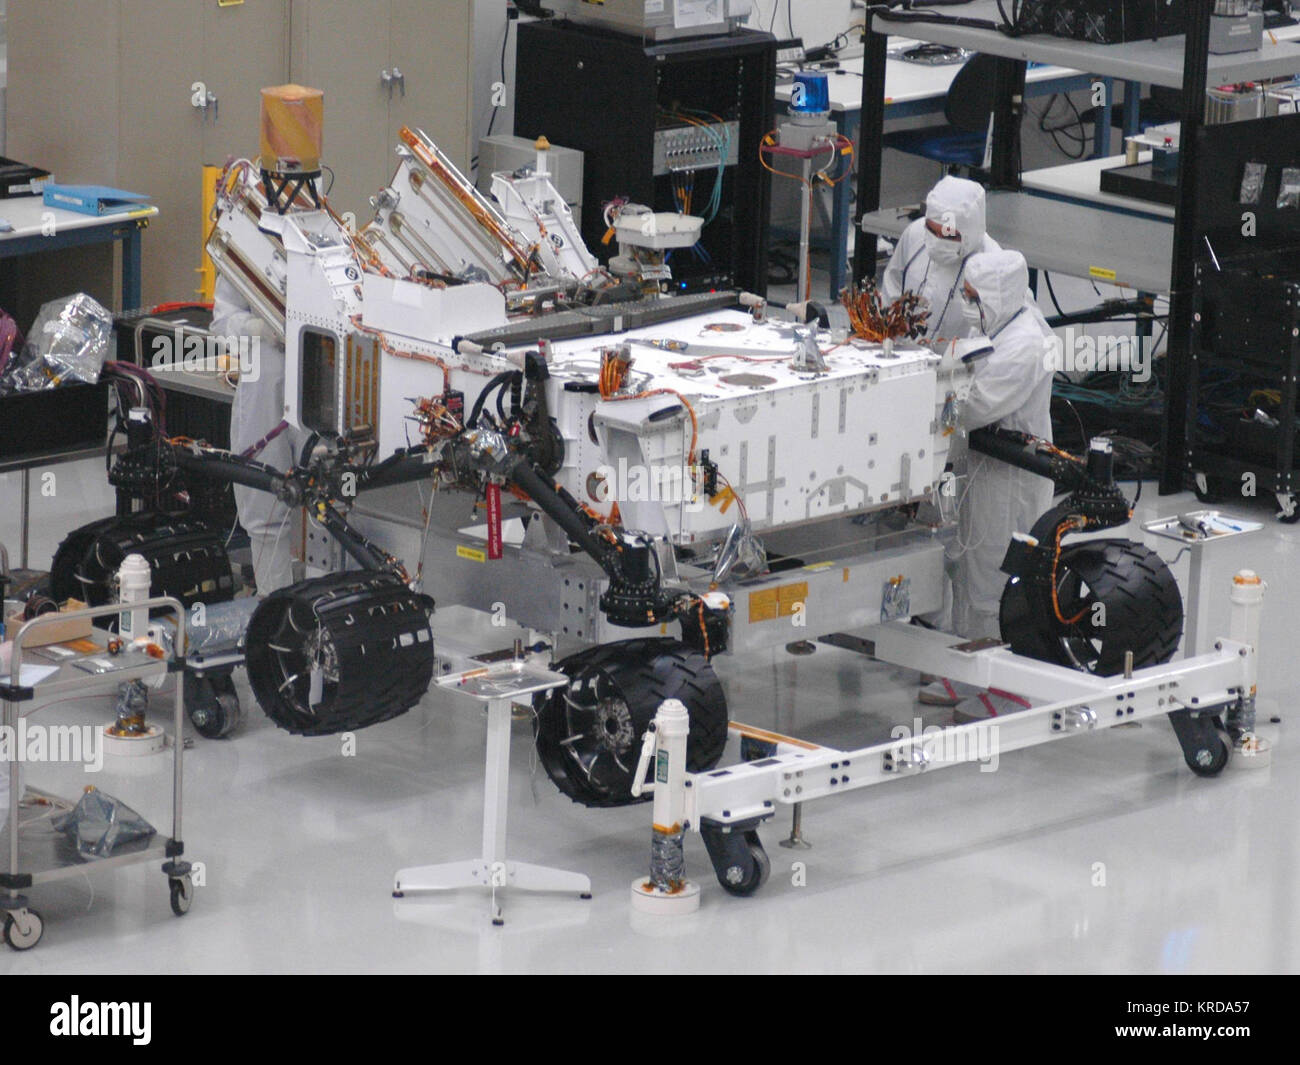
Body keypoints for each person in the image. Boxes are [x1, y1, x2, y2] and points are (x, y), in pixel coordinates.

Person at [919, 249, 1055, 720]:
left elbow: (973, 406)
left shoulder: (1026, 344)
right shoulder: (999, 319)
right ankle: (966, 668)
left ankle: (1006, 687)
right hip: (976, 466)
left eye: (974, 297)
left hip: (1007, 480)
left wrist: (924, 396)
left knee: (992, 578)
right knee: (962, 566)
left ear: (998, 294)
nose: (968, 304)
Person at [211, 276, 308, 594]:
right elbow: (223, 320)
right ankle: (273, 607)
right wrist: (255, 328)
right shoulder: (248, 250)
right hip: (265, 387)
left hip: (324, 377)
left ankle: (332, 608)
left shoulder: (335, 247)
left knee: (330, 505)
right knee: (264, 510)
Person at [880, 175, 1001, 345]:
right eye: (931, 230)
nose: (937, 241)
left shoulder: (995, 265)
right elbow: (892, 286)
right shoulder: (915, 234)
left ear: (970, 231)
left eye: (948, 235)